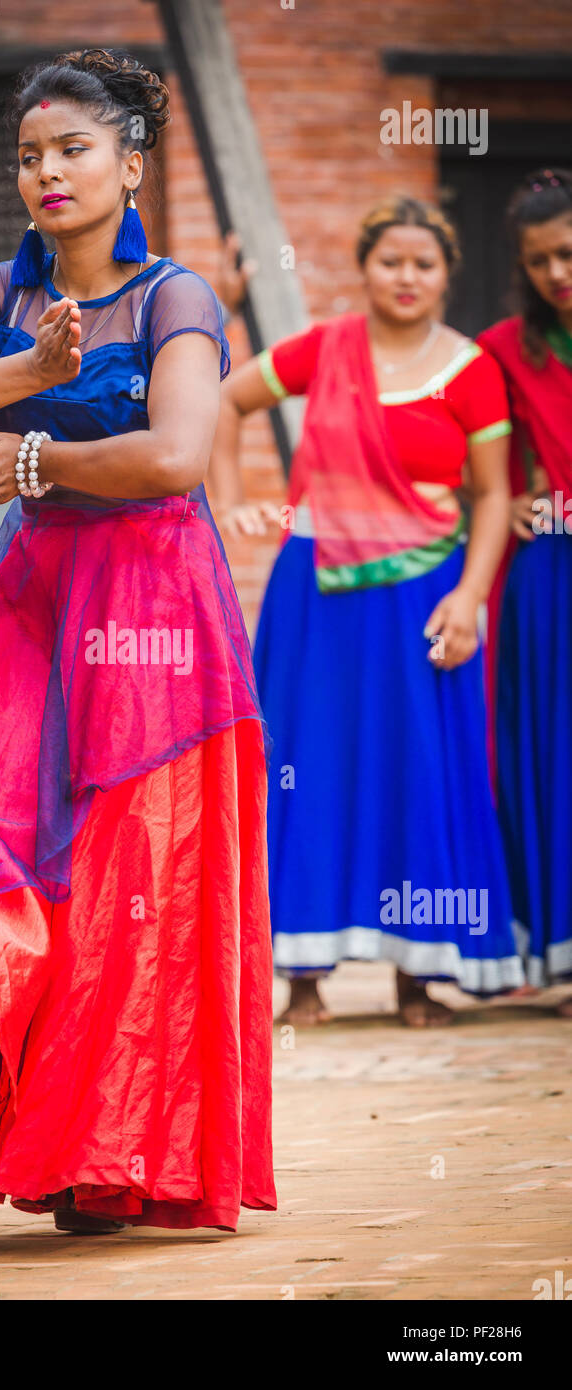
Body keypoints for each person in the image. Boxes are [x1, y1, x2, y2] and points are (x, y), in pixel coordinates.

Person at [0, 48, 276, 1235]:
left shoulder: (176, 294)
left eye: (72, 148)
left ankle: (108, 1145)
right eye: (28, 154)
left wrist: (31, 455)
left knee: (131, 877)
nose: (46, 172)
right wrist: (30, 370)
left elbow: (176, 455)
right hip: (32, 599)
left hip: (152, 611)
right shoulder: (4, 294)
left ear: (130, 163)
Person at [208, 196, 525, 1026]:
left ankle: (418, 975)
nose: (408, 278)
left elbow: (494, 496)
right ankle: (302, 974)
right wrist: (234, 500)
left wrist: (468, 596)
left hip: (425, 591)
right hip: (316, 590)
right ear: (366, 269)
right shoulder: (329, 348)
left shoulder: (468, 369)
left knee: (418, 767)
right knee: (307, 764)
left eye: (424, 264)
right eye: (392, 262)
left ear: (447, 271)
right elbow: (228, 401)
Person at [479, 169, 572, 1011]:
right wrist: (506, 503)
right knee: (555, 754)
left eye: (570, 254)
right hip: (551, 576)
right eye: (541, 260)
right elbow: (476, 457)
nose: (558, 274)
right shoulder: (508, 348)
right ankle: (558, 950)